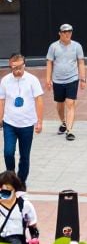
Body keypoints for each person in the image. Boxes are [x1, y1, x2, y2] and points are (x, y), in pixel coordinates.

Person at [0, 55, 44, 183]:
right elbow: (2, 101)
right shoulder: (5, 81)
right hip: (10, 123)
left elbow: (39, 100)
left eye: (20, 67)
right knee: (8, 152)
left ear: (24, 65)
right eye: (14, 68)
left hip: (27, 124)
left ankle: (21, 182)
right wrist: (0, 118)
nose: (17, 70)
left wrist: (39, 121)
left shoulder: (32, 80)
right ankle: (11, 176)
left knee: (24, 156)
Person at [45, 23, 86, 140]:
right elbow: (49, 63)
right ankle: (63, 122)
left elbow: (81, 62)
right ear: (60, 33)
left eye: (69, 32)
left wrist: (83, 79)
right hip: (57, 80)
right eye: (65, 32)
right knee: (60, 104)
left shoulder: (77, 46)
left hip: (72, 78)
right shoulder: (53, 47)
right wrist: (48, 79)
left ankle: (69, 130)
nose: (67, 34)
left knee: (70, 103)